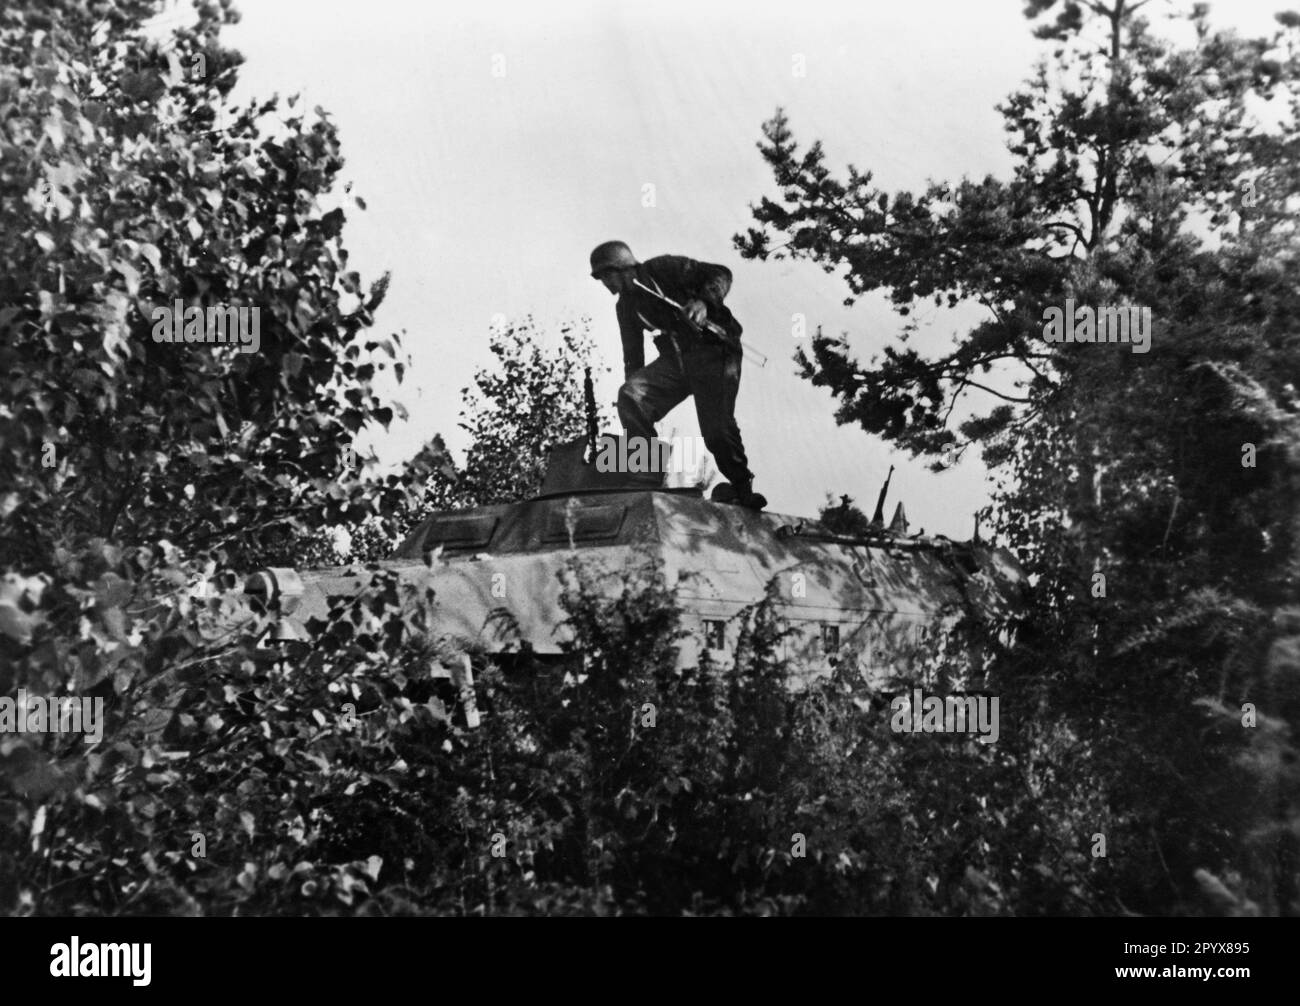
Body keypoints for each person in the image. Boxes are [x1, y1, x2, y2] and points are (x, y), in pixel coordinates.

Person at [589, 240, 765, 509]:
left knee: (716, 430)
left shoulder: (664, 268)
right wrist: (636, 401)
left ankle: (741, 486)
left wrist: (703, 302)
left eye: (607, 276)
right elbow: (632, 354)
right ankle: (647, 469)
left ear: (623, 268)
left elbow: (720, 273)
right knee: (631, 395)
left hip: (713, 352)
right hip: (676, 360)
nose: (606, 284)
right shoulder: (625, 306)